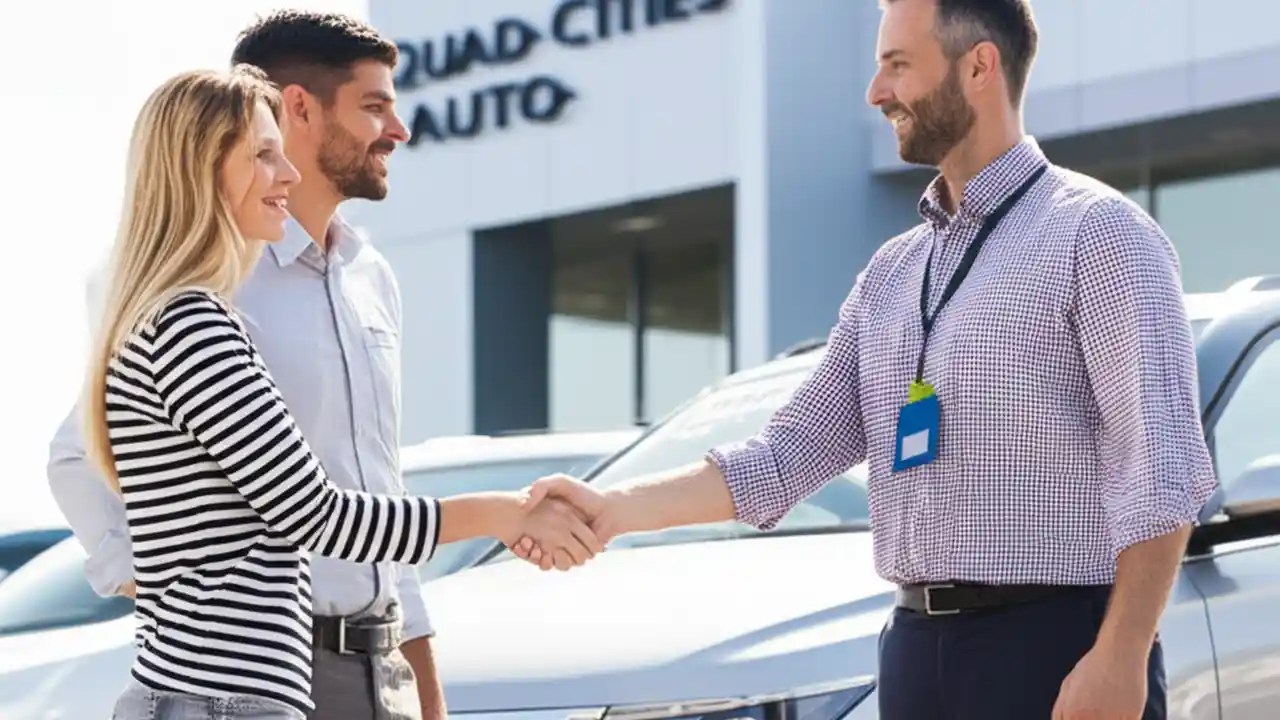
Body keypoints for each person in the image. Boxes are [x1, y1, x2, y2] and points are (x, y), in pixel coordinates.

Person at [513, 0, 1218, 718]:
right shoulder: (892, 272)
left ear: (979, 66)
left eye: (897, 66)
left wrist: (1123, 654)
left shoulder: (1099, 237)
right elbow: (785, 456)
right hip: (914, 651)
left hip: (1054, 646)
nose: (876, 93)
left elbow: (1161, 464)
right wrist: (613, 509)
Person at [46, 11, 589, 720]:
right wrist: (506, 514)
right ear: (206, 165)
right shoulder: (192, 319)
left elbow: (371, 481)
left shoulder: (355, 280)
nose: (287, 173)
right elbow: (316, 512)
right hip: (240, 687)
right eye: (263, 154)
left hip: (328, 671)